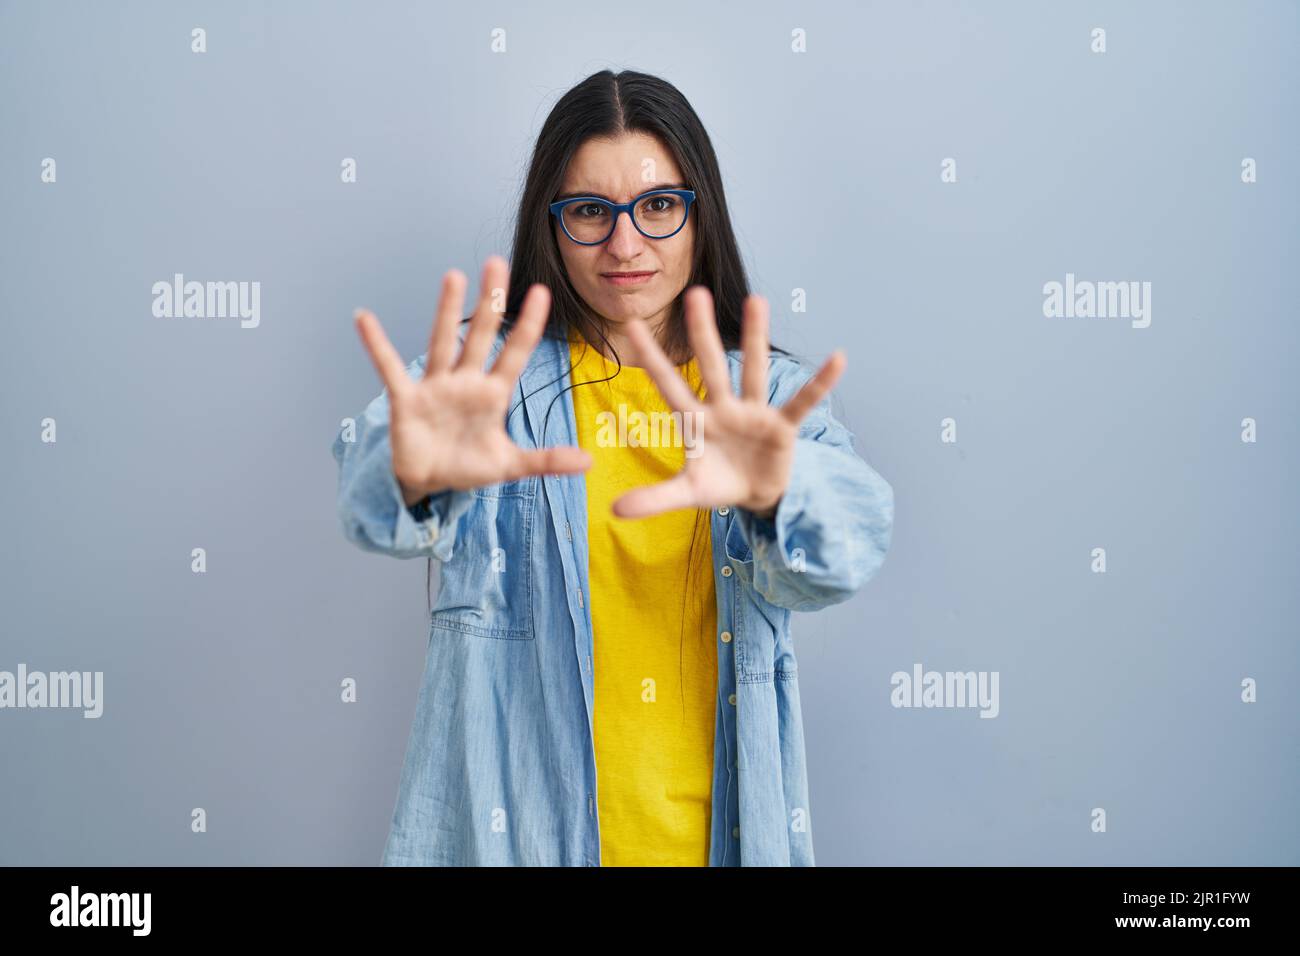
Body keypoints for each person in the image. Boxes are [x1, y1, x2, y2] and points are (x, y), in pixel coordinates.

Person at [331, 69, 894, 866]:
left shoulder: (763, 403)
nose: (625, 245)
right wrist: (413, 474)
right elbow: (370, 488)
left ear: (701, 216)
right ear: (551, 224)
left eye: (658, 206)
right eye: (591, 211)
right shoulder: (483, 384)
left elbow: (851, 544)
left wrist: (780, 491)